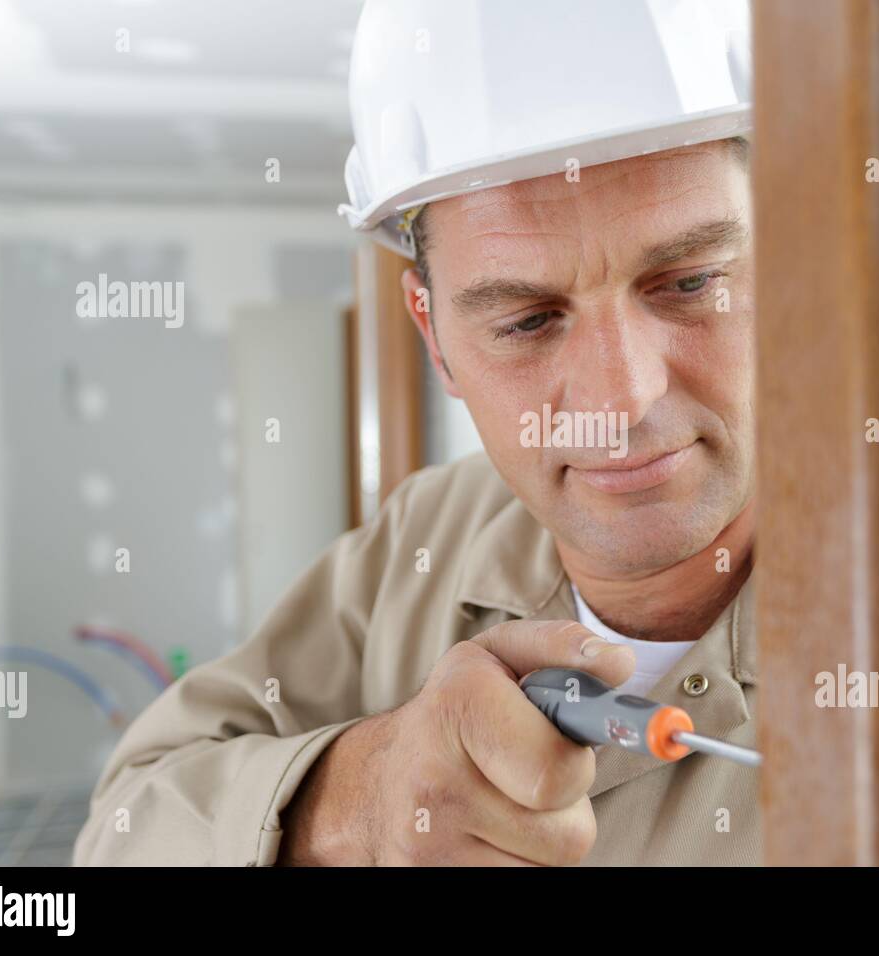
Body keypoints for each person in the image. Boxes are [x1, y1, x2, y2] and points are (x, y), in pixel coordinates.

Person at [74, 0, 759, 867]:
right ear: (436, 340)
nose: (621, 399)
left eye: (690, 282)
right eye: (527, 321)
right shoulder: (427, 535)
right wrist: (356, 799)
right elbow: (122, 828)